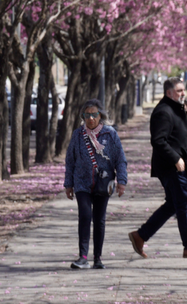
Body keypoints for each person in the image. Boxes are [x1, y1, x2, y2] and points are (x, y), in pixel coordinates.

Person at [128, 77, 187, 260]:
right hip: (172, 168)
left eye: (184, 90)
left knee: (173, 204)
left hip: (181, 167)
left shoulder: (177, 109)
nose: (183, 93)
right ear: (169, 93)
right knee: (186, 203)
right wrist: (176, 158)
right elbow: (158, 140)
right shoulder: (163, 112)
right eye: (179, 91)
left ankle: (140, 236)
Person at [64, 99, 128, 270]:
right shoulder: (78, 135)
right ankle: (83, 257)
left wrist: (122, 181)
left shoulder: (110, 134)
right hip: (82, 183)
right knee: (85, 215)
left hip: (103, 183)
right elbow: (70, 161)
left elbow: (120, 159)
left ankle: (97, 258)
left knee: (99, 220)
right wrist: (68, 184)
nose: (91, 118)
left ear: (101, 115)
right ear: (83, 116)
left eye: (94, 115)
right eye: (87, 115)